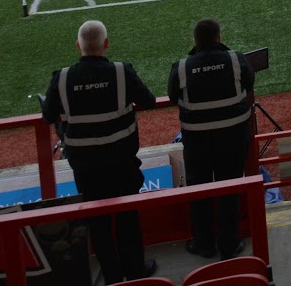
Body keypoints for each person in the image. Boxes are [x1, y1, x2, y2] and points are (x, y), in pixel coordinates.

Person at [41, 20, 158, 283]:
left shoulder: (61, 79)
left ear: (77, 46)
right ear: (106, 44)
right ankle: (136, 272)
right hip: (123, 164)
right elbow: (148, 101)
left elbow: (48, 115)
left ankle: (112, 276)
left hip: (86, 168)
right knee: (128, 218)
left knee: (98, 224)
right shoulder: (121, 72)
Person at [168, 18, 255, 261]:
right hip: (234, 138)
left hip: (197, 142)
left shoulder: (182, 67)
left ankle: (204, 244)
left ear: (195, 41)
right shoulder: (237, 59)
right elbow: (249, 84)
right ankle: (230, 245)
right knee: (230, 187)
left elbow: (172, 95)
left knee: (199, 190)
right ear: (219, 37)